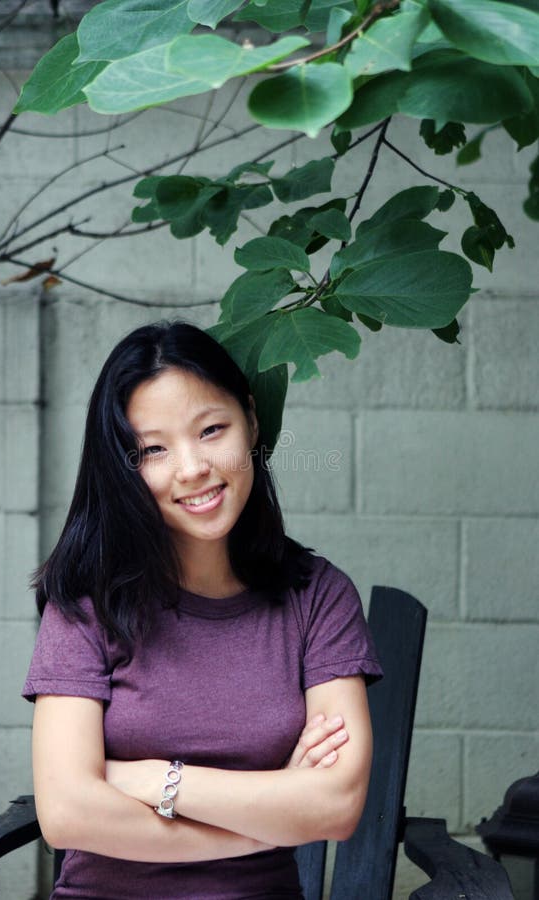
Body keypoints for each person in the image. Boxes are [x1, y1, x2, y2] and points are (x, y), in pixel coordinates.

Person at [22, 320, 383, 900]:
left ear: (251, 421)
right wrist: (266, 821)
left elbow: (335, 805)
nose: (191, 468)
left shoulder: (317, 598)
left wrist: (151, 780)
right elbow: (67, 814)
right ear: (123, 464)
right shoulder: (87, 603)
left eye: (212, 429)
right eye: (154, 448)